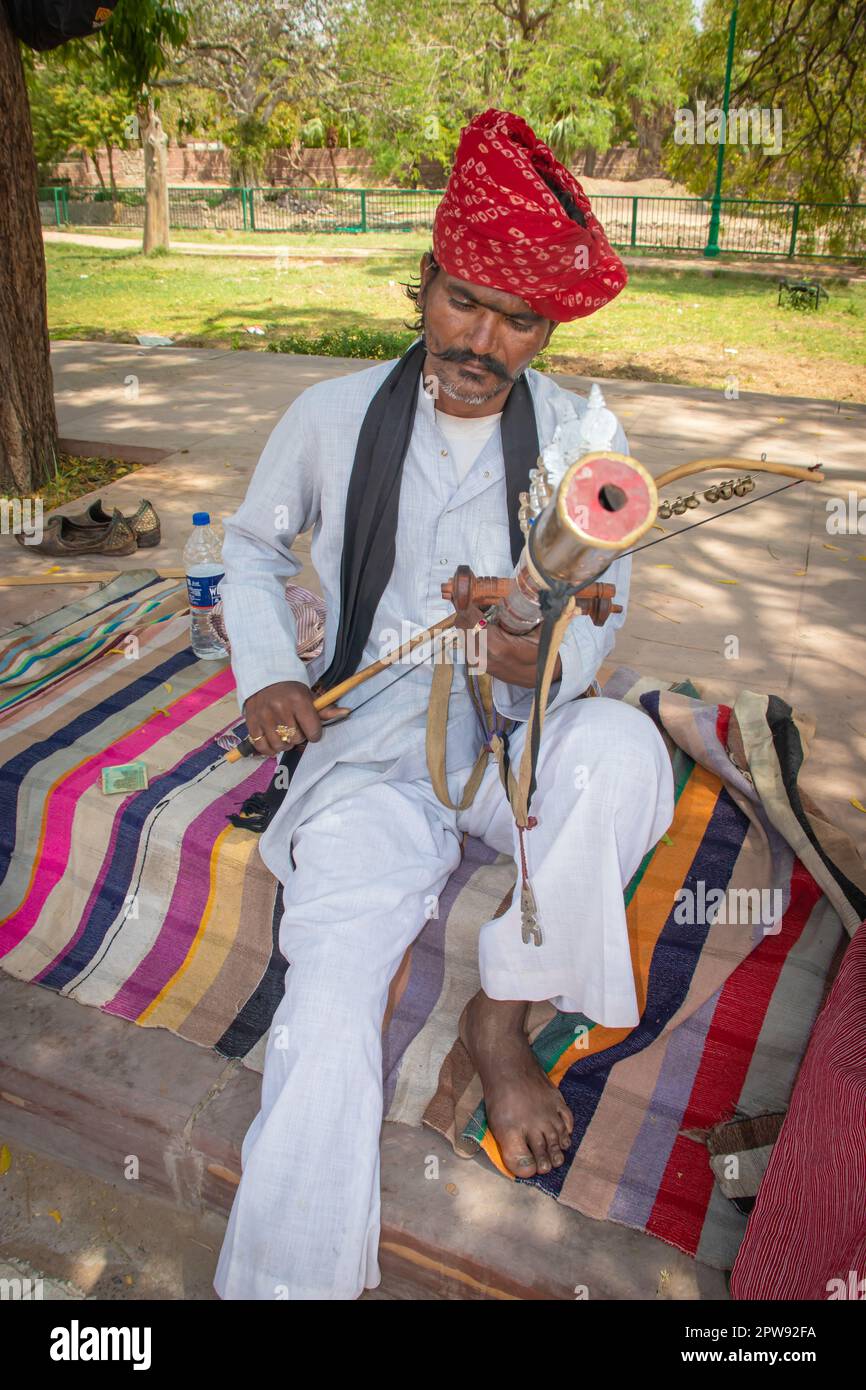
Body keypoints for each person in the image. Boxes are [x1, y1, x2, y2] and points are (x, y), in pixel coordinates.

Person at [213, 109, 674, 1301]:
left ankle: (501, 1022)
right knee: (327, 993)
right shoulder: (328, 413)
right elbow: (254, 553)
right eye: (461, 300)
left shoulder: (584, 439)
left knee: (625, 754)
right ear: (424, 282)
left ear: (548, 325)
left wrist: (540, 662)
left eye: (516, 317)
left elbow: (603, 602)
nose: (480, 338)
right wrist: (267, 670)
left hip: (517, 749)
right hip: (370, 754)